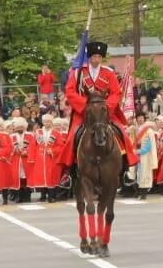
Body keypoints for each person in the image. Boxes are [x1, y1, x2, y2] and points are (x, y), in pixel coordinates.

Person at [58, 41, 138, 189]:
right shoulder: (78, 72)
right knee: (72, 137)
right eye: (94, 56)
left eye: (99, 57)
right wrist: (85, 106)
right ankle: (67, 173)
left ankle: (126, 170)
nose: (96, 60)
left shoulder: (109, 73)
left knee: (122, 133)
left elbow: (116, 92)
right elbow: (70, 92)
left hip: (104, 112)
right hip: (84, 113)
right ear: (89, 57)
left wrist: (106, 106)